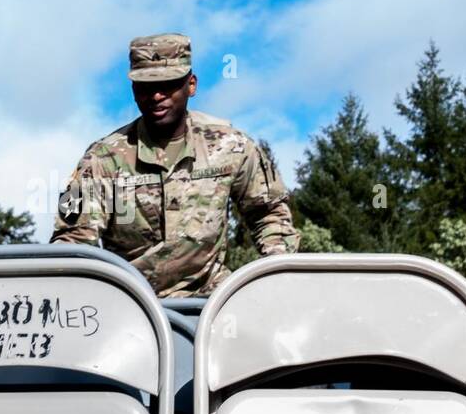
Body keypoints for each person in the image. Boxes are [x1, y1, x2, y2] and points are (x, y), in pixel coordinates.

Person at [51, 32, 300, 296]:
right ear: (134, 90)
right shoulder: (101, 159)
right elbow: (73, 242)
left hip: (212, 302)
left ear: (191, 85)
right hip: (129, 303)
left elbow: (269, 212)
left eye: (168, 84)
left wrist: (274, 281)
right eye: (145, 87)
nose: (156, 95)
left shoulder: (233, 147)